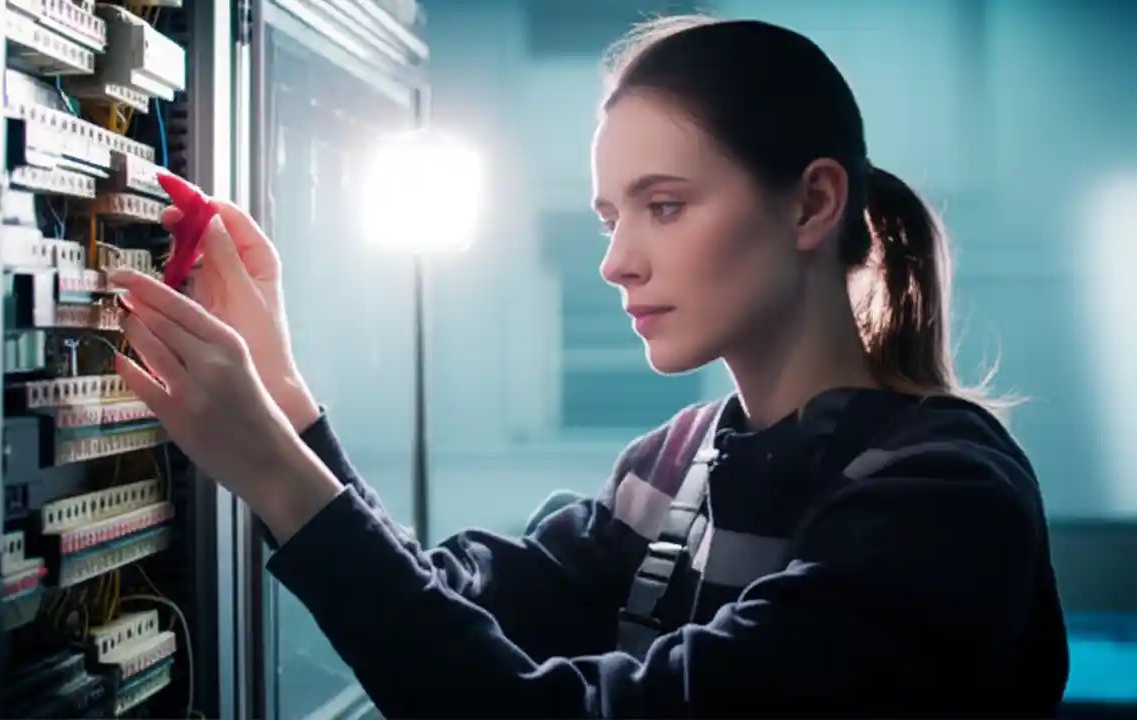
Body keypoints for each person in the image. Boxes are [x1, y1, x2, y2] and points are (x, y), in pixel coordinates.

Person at [107, 15, 1069, 718]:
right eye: (612, 218)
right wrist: (285, 400)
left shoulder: (943, 500)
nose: (615, 261)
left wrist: (278, 471)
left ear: (812, 203)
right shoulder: (669, 465)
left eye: (666, 204)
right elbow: (444, 607)